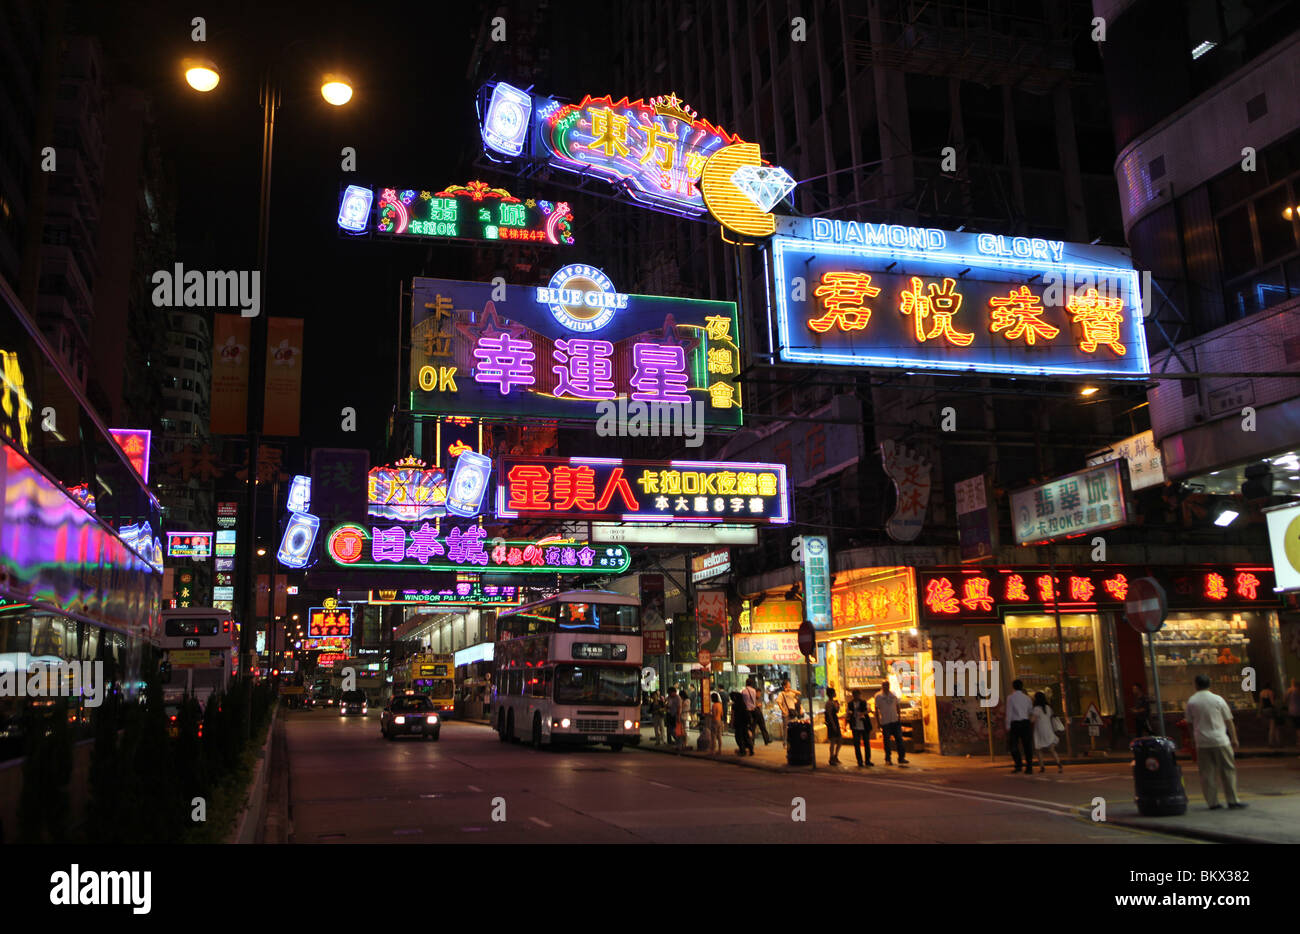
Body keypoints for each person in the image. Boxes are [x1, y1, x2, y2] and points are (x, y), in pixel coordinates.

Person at [1185, 673, 1246, 810]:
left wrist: (1192, 739)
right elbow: (1229, 721)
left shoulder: (1192, 702)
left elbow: (1189, 723)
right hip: (1220, 740)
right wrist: (1234, 738)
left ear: (1196, 685)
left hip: (1202, 742)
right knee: (1228, 770)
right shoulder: (1218, 699)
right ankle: (1232, 800)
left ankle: (1213, 802)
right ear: (1209, 684)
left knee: (1207, 773)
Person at [874, 682, 908, 765]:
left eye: (887, 685)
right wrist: (878, 722)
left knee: (899, 739)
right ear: (882, 686)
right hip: (885, 722)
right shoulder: (878, 696)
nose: (886, 687)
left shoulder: (893, 694)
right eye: (884, 685)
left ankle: (901, 757)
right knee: (887, 742)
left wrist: (899, 716)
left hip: (895, 721)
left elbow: (897, 705)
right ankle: (888, 759)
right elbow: (876, 710)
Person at [1005, 679, 1034, 775]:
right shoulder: (1027, 698)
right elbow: (1030, 711)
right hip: (1025, 722)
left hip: (1015, 723)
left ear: (1013, 687)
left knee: (1013, 745)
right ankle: (1029, 767)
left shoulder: (1010, 698)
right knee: (1027, 745)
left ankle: (1018, 765)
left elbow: (1009, 712)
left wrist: (1007, 725)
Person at [1030, 691, 1062, 773]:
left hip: (1040, 731)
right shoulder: (1048, 708)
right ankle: (1058, 764)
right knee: (1052, 749)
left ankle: (1042, 766)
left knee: (1038, 749)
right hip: (1049, 730)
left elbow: (1032, 720)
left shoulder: (1036, 709)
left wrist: (1028, 718)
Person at [846, 688, 873, 767]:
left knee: (866, 743)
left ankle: (867, 760)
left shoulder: (864, 702)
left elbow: (869, 709)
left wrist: (862, 713)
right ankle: (860, 761)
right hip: (855, 725)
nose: (856, 696)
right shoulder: (850, 704)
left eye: (857, 694)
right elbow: (847, 713)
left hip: (864, 725)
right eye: (855, 694)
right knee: (857, 744)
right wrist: (849, 715)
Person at [744, 677, 770, 747]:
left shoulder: (743, 691)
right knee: (761, 726)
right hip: (755, 710)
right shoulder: (753, 691)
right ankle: (766, 740)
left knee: (752, 727)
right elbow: (755, 699)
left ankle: (751, 741)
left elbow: (744, 702)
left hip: (748, 711)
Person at [776, 679, 801, 747]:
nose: (789, 685)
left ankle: (792, 741)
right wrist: (782, 710)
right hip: (786, 713)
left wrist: (790, 690)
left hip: (792, 712)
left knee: (793, 727)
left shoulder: (791, 693)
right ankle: (785, 743)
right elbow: (778, 702)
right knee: (786, 728)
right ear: (785, 686)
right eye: (788, 684)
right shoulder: (781, 694)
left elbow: (799, 693)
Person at [824, 686, 844, 766]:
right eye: (834, 692)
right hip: (832, 723)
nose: (835, 693)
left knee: (839, 740)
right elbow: (829, 714)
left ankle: (835, 756)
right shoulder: (829, 703)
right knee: (833, 740)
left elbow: (836, 711)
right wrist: (833, 725)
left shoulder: (833, 702)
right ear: (831, 694)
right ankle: (832, 757)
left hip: (835, 722)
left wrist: (838, 705)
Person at [730, 689, 751, 755]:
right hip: (744, 722)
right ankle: (751, 749)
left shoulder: (735, 705)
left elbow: (733, 715)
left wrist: (731, 723)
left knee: (739, 737)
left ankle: (742, 750)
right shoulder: (743, 704)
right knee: (745, 736)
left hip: (738, 723)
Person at [1259, 684, 1279, 748]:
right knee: (1273, 726)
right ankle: (1272, 742)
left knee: (1271, 727)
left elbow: (1261, 704)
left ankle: (1276, 741)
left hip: (1265, 710)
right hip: (1270, 710)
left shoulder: (1261, 693)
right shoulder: (1270, 692)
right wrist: (1276, 708)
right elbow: (1272, 702)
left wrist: (1259, 712)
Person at [666, 686, 682, 753]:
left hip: (676, 715)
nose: (669, 694)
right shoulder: (669, 697)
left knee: (676, 730)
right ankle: (677, 742)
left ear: (673, 692)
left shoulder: (678, 698)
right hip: (670, 714)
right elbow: (668, 704)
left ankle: (679, 743)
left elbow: (679, 707)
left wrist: (678, 716)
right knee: (671, 729)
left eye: (670, 693)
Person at [1286, 679, 1300, 751]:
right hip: (1297, 711)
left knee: (1297, 728)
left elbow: (1285, 699)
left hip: (1293, 711)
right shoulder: (1297, 690)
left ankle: (1298, 742)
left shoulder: (1290, 690)